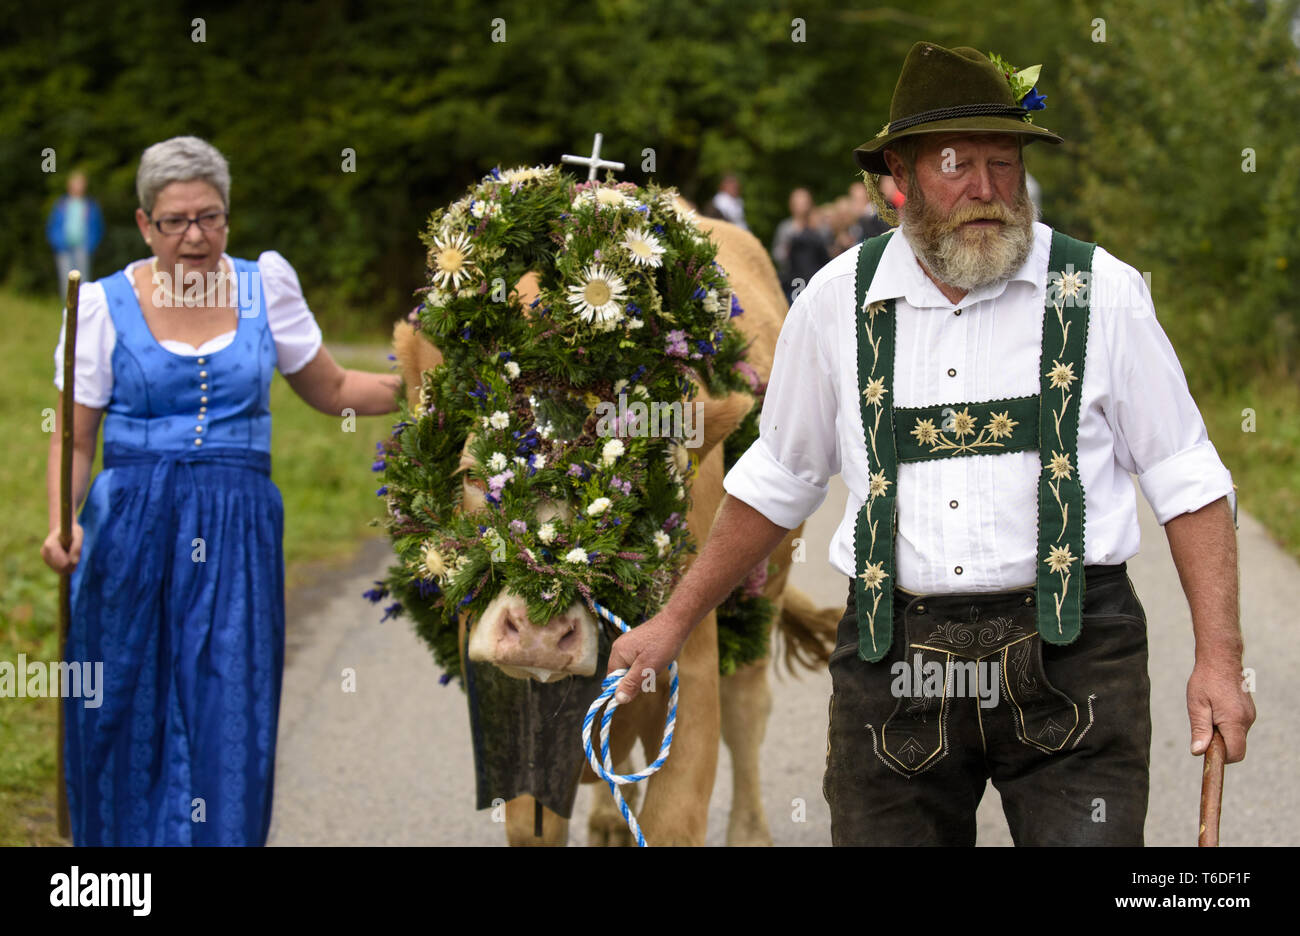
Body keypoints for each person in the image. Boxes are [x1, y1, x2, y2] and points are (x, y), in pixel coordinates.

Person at [605, 42, 1254, 846]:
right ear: (898, 178)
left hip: (1077, 664)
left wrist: (1219, 662)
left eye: (1003, 162)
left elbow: (1187, 480)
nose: (986, 189)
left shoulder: (1104, 294)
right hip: (895, 663)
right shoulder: (836, 303)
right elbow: (779, 480)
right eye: (958, 165)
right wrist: (672, 621)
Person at [41, 136, 401, 846]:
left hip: (237, 533)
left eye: (210, 217)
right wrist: (61, 521)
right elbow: (74, 439)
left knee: (227, 710)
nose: (196, 236)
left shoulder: (265, 286)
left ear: (228, 218)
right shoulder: (100, 307)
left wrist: (429, 384)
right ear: (145, 225)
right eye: (175, 221)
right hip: (129, 532)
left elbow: (332, 389)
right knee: (122, 707)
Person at [46, 171, 105, 292]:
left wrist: (90, 245)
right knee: (65, 280)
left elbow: (97, 227)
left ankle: (82, 307)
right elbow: (53, 226)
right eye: (76, 183)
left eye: (81, 184)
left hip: (83, 248)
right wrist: (58, 243)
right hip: (64, 248)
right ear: (69, 185)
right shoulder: (61, 204)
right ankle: (67, 309)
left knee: (83, 280)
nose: (78, 187)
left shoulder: (90, 205)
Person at [771, 187, 832, 300]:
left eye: (805, 203)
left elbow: (828, 251)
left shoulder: (820, 227)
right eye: (799, 203)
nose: (803, 207)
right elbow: (777, 254)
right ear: (792, 206)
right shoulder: (786, 228)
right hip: (793, 282)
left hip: (817, 280)